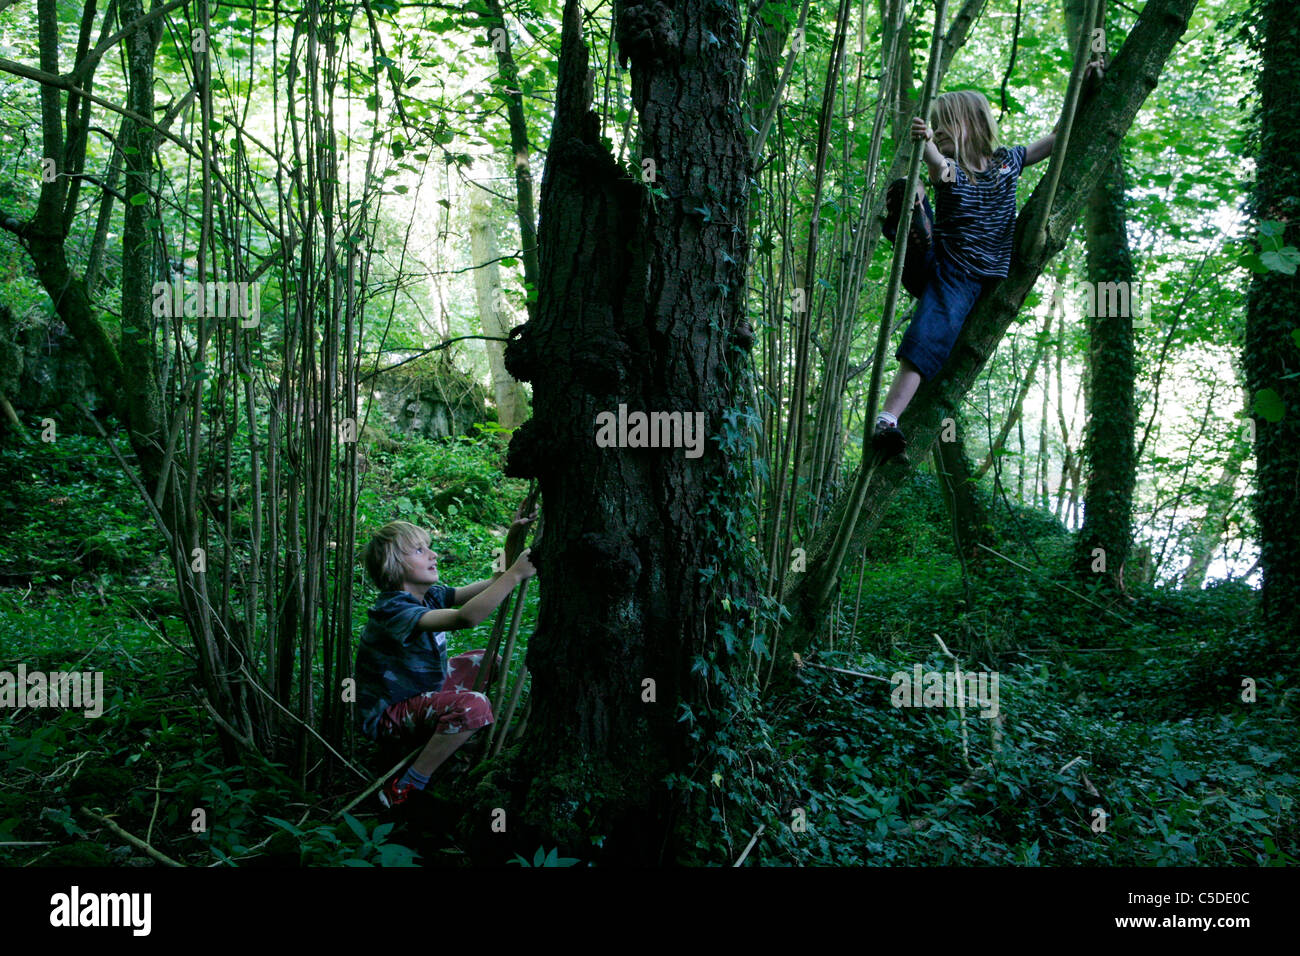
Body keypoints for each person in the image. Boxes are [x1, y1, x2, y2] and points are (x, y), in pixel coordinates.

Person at [872, 87, 1069, 461]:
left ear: (971, 121)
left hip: (972, 278)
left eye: (943, 123)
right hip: (939, 266)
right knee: (910, 189)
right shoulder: (952, 171)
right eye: (934, 125)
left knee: (934, 334)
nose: (938, 130)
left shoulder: (1008, 162)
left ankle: (889, 421)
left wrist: (1087, 85)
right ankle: (887, 418)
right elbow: (937, 166)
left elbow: (1058, 139)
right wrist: (926, 143)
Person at [354, 503, 537, 808]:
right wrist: (516, 575)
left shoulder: (430, 595)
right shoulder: (393, 610)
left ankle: (447, 734)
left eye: (429, 548)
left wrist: (513, 538)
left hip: (421, 691)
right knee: (475, 707)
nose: (433, 554)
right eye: (419, 551)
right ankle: (408, 784)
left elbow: (494, 581)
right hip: (390, 715)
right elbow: (466, 618)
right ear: (393, 564)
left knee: (487, 661)